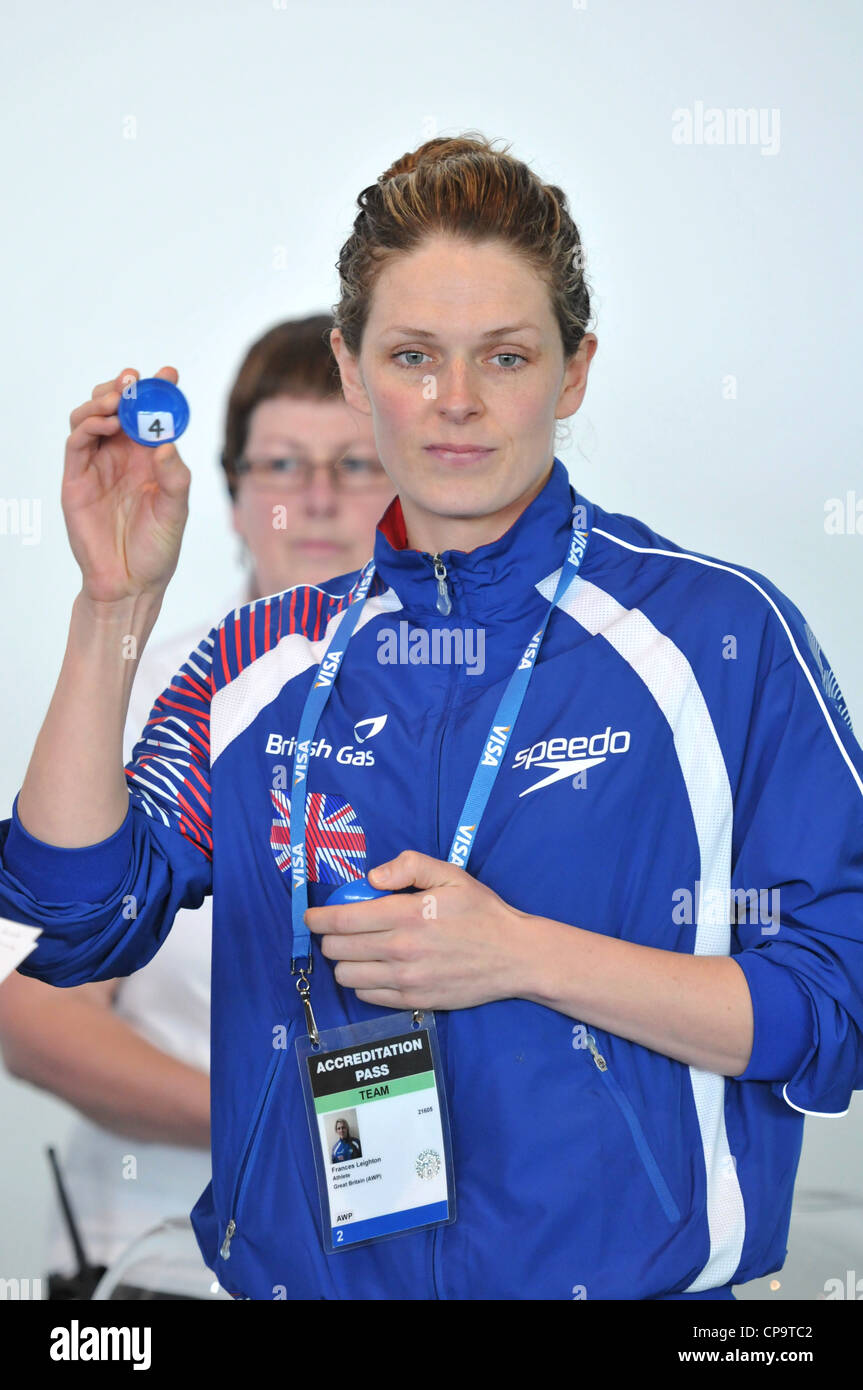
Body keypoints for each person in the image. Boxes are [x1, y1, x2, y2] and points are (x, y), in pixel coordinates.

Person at [1, 130, 862, 1302]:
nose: (453, 403)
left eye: (503, 356)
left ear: (572, 371)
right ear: (352, 372)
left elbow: (834, 1002)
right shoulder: (261, 657)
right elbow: (71, 919)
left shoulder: (720, 637)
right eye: (411, 355)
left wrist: (516, 954)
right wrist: (112, 604)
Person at [0, 314, 392, 1296]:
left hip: (415, 1260)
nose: (313, 498)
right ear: (230, 491)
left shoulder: (486, 704)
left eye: (353, 462)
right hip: (157, 1254)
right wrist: (278, 1116)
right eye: (279, 464)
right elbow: (28, 1002)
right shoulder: (132, 694)